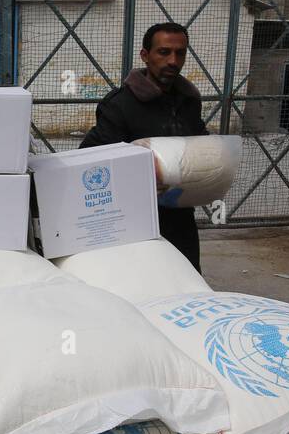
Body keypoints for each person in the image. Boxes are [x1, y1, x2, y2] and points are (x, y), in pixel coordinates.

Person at [79, 22, 209, 270]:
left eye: (180, 53)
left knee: (187, 280)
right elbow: (90, 161)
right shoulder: (120, 105)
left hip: (180, 215)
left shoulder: (189, 101)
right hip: (133, 221)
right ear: (145, 55)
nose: (173, 60)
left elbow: (198, 145)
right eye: (164, 52)